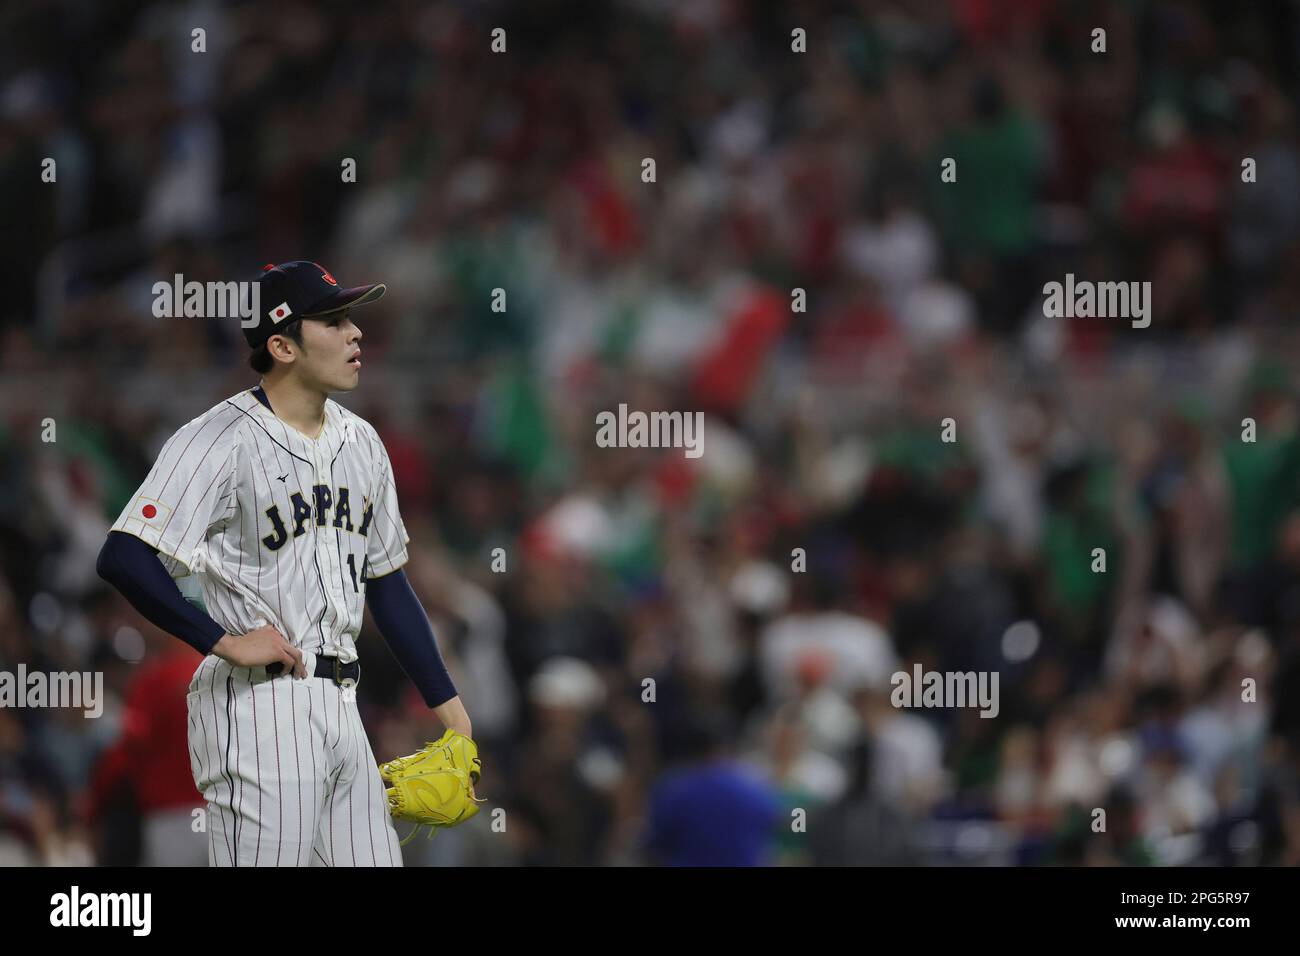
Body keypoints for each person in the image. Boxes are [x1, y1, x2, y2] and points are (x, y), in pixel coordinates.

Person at [95, 260, 472, 866]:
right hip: (258, 709)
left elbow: (387, 582)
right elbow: (123, 555)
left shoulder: (363, 443)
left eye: (351, 318)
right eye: (333, 320)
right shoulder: (218, 437)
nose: (356, 334)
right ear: (281, 344)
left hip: (343, 709)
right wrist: (221, 640)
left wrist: (451, 712)